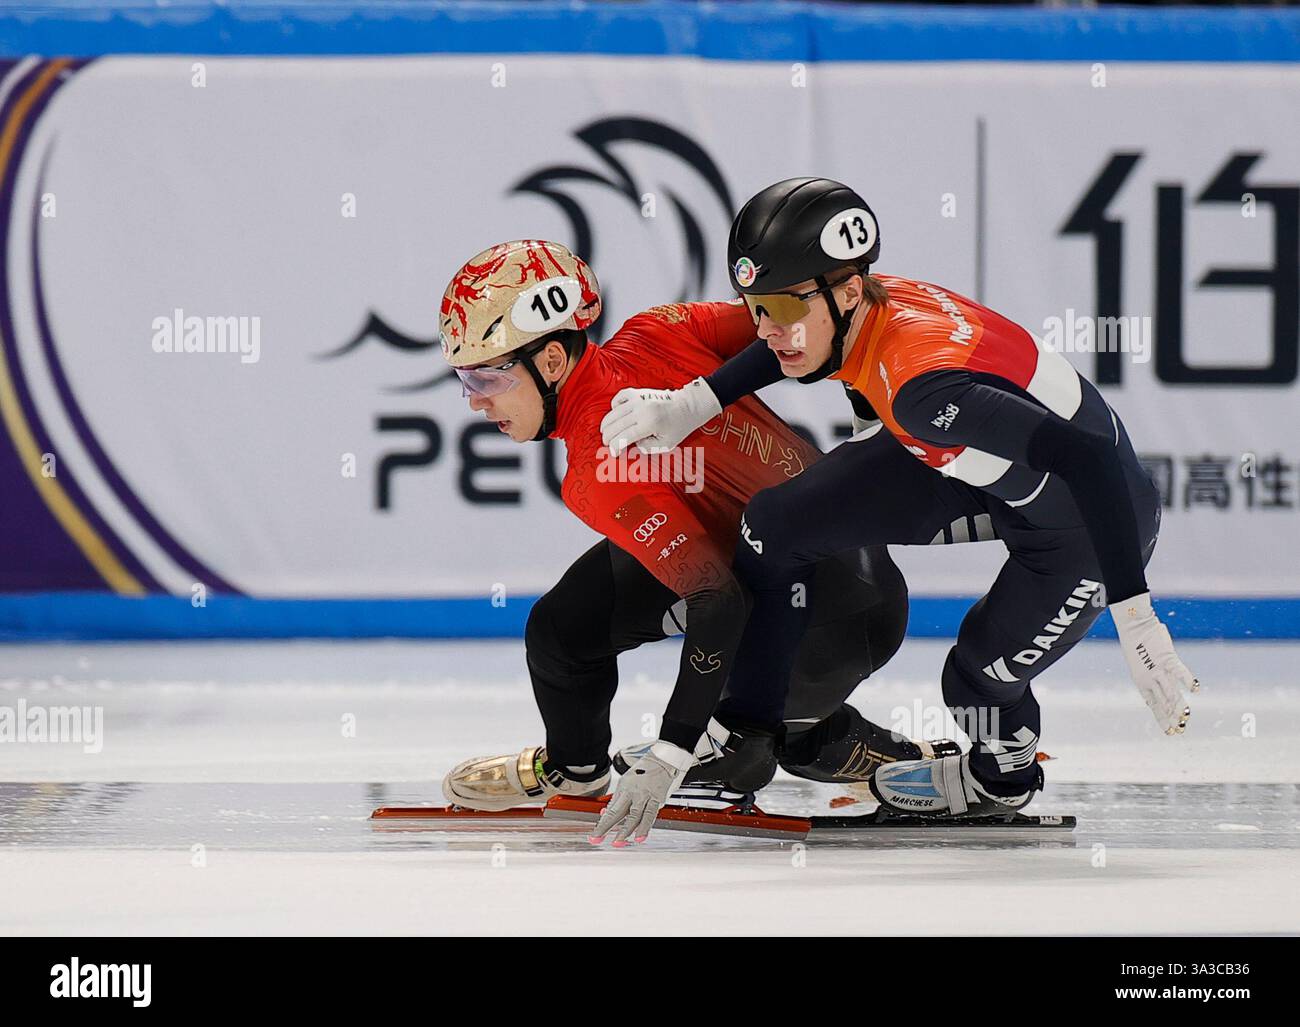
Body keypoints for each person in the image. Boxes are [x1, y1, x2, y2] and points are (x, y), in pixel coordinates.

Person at [600, 178, 1199, 821]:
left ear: (849, 290)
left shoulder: (920, 384)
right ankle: (748, 730)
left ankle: (1001, 779)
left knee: (975, 679)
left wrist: (1136, 620)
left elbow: (1091, 460)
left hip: (1085, 519)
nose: (770, 329)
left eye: (783, 306)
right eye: (756, 307)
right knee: (776, 523)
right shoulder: (862, 308)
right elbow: (792, 345)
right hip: (974, 468)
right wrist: (695, 402)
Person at [435, 239, 949, 845]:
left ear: (550, 362)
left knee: (771, 745)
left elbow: (719, 602)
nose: (473, 401)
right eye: (463, 379)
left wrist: (672, 747)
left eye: (484, 376)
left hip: (840, 616)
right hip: (815, 571)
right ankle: (575, 771)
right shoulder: (659, 328)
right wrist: (867, 407)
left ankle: (871, 755)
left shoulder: (597, 470)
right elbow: (827, 316)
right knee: (563, 630)